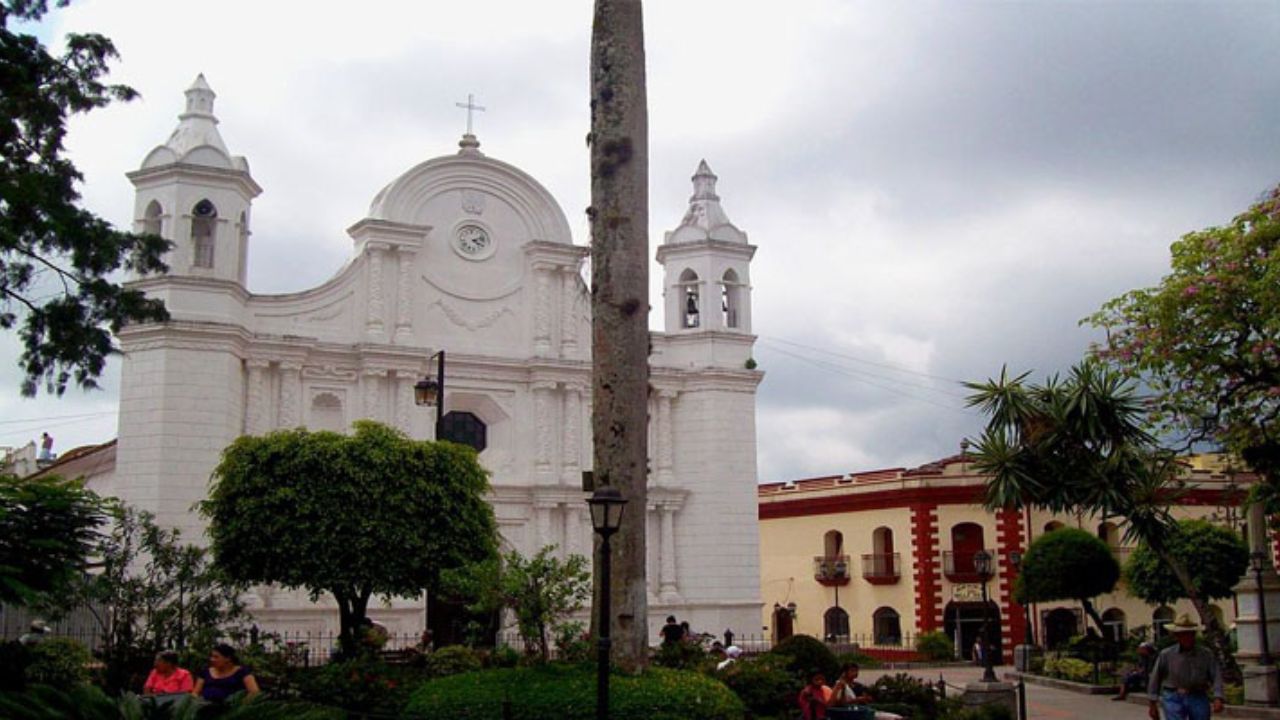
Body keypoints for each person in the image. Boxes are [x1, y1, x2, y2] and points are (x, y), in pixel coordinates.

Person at [1148, 615, 1224, 720]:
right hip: (1173, 695)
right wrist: (1152, 703)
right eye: (1182, 634)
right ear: (1177, 636)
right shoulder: (1166, 654)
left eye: (1190, 634)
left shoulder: (1206, 654)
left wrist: (1218, 697)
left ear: (1194, 635)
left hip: (1198, 694)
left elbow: (1216, 676)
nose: (1186, 638)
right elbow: (1155, 678)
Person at [192, 643, 260, 703]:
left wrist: (240, 706)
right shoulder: (205, 672)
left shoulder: (242, 672)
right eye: (211, 656)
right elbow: (195, 693)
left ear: (228, 658)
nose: (212, 659)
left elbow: (254, 692)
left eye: (216, 657)